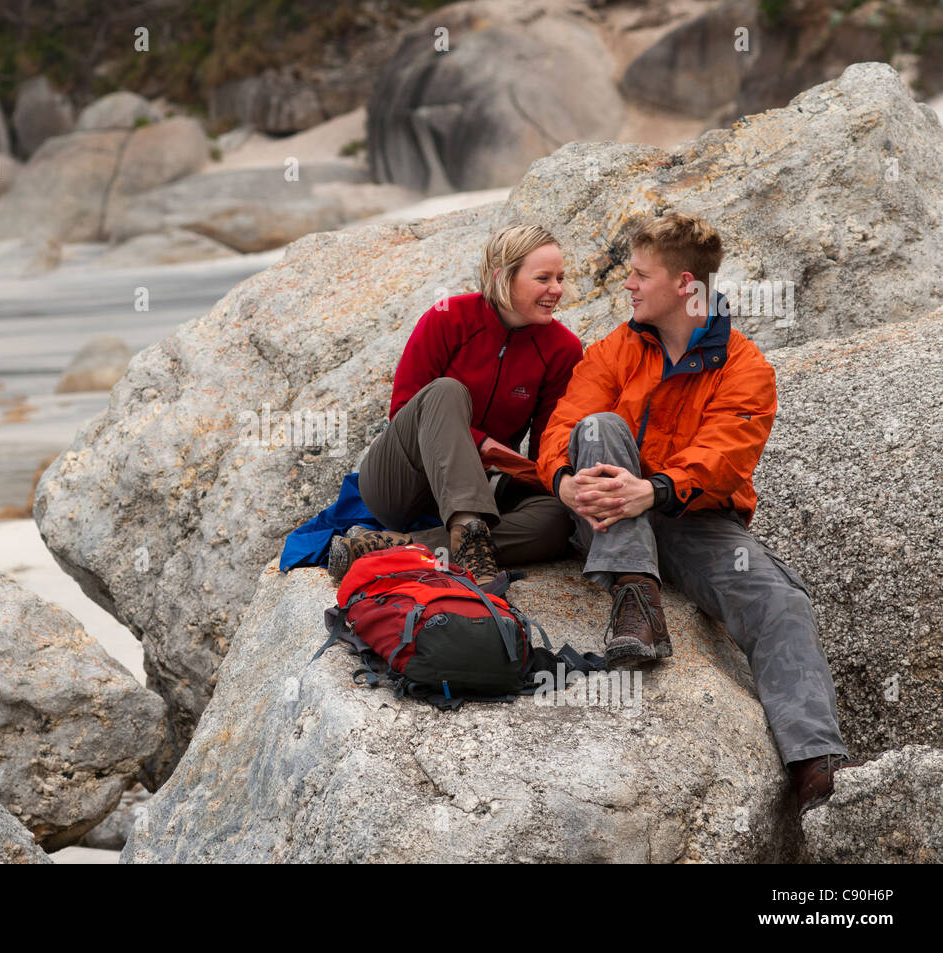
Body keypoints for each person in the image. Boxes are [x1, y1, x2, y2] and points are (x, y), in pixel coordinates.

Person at [535, 211, 863, 814]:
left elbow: (726, 457)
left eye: (639, 275)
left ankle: (815, 767)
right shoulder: (615, 349)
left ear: (686, 284)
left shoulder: (745, 368)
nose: (627, 286)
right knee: (600, 426)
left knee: (780, 601)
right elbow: (562, 427)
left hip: (691, 517)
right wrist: (561, 483)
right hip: (601, 510)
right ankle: (636, 600)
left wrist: (655, 491)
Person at [328, 223, 584, 587]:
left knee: (560, 519)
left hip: (484, 483)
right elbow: (403, 408)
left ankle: (397, 549)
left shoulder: (563, 348)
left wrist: (561, 482)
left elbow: (547, 447)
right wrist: (477, 442)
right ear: (502, 277)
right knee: (446, 390)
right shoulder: (448, 317)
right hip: (403, 481)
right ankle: (468, 532)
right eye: (543, 278)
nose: (557, 290)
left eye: (560, 277)